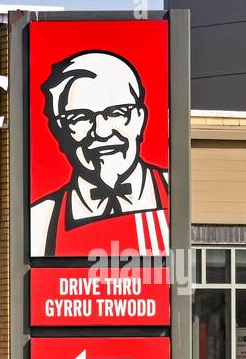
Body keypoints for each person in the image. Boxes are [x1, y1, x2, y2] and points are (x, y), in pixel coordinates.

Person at [29, 50, 169, 257]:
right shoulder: (40, 220)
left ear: (140, 119)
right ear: (59, 131)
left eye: (117, 113)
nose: (101, 132)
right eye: (79, 117)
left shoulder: (175, 194)